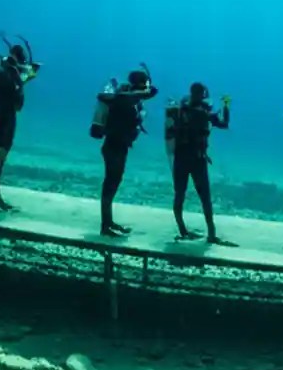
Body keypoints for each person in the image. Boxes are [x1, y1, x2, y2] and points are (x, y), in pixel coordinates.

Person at [0, 39, 40, 210]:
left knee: (1, 158)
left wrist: (27, 74)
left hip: (9, 117)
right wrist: (16, 71)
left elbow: (19, 88)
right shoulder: (2, 68)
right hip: (0, 116)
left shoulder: (15, 72)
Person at [95, 65, 158, 237]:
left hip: (119, 146)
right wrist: (146, 92)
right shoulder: (123, 97)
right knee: (110, 184)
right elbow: (129, 97)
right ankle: (105, 225)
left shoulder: (132, 100)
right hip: (113, 146)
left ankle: (108, 221)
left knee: (114, 183)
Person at [167, 82, 232, 244]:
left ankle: (182, 229)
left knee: (180, 194)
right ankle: (211, 233)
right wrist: (226, 105)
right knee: (204, 197)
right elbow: (224, 124)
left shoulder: (181, 110)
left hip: (181, 159)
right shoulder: (204, 112)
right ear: (203, 94)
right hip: (197, 159)